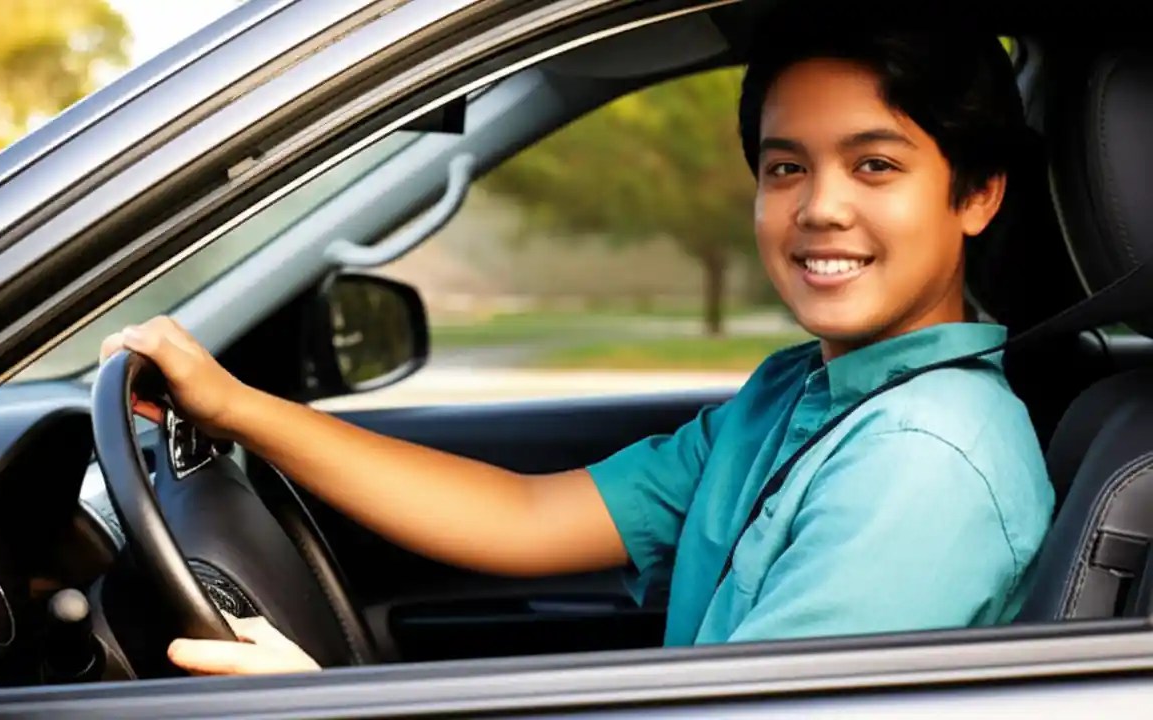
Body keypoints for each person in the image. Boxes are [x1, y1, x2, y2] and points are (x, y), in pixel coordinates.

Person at [99, 0, 1054, 676]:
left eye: (875, 165)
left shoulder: (925, 467)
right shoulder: (800, 395)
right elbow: (525, 516)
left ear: (975, 194)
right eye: (785, 167)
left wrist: (318, 708)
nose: (819, 209)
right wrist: (236, 408)